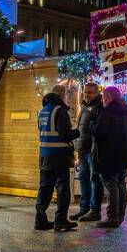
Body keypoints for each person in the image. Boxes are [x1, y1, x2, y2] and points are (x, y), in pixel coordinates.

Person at [91, 85, 127, 228]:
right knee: (120, 184)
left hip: (109, 156)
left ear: (109, 97)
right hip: (124, 154)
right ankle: (120, 216)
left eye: (104, 97)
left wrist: (92, 125)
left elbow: (100, 133)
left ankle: (112, 217)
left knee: (111, 185)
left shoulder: (106, 113)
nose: (103, 100)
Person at [35, 84, 79, 231]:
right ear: (62, 95)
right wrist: (77, 132)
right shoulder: (59, 111)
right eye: (66, 94)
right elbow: (64, 134)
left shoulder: (42, 111)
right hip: (59, 156)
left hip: (44, 155)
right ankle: (61, 220)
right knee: (62, 189)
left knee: (45, 188)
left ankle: (40, 220)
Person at [69, 82, 104, 222]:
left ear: (96, 93)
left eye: (89, 92)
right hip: (82, 148)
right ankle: (84, 209)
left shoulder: (99, 107)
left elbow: (97, 129)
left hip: (92, 149)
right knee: (84, 179)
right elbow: (80, 128)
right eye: (85, 92)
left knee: (94, 179)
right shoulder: (84, 106)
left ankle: (95, 210)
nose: (86, 94)